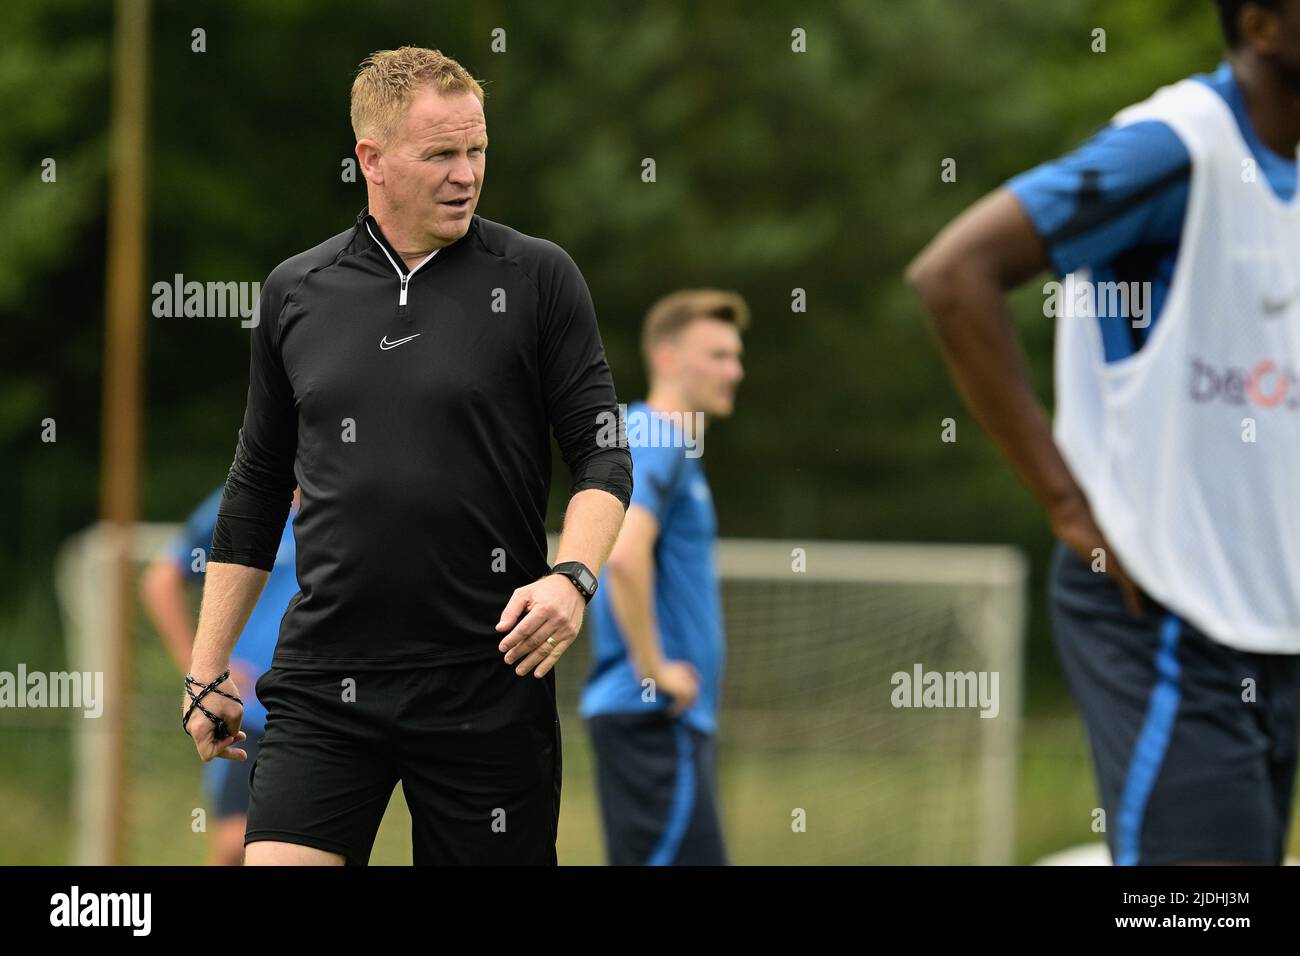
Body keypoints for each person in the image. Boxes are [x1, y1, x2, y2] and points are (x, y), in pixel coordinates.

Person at [181, 46, 632, 866]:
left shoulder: (538, 278)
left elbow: (604, 456)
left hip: (487, 677)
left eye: (477, 150)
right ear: (371, 160)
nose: (467, 174)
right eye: (442, 154)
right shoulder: (295, 290)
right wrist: (207, 669)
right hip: (325, 678)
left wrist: (574, 579)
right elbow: (253, 488)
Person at [906, 0, 1300, 864]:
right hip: (1161, 606)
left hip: (1265, 626)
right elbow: (953, 273)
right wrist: (1067, 505)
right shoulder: (1174, 147)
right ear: (1265, 27)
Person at [581, 290, 748, 865]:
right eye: (719, 355)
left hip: (651, 721)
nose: (736, 370)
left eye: (736, 355)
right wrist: (655, 669)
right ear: (668, 358)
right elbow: (625, 554)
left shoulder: (651, 438)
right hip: (656, 717)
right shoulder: (657, 435)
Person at [141, 486, 298, 865]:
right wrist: (203, 671)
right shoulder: (250, 499)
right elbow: (162, 581)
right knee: (235, 845)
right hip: (253, 714)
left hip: (322, 711)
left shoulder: (350, 500)